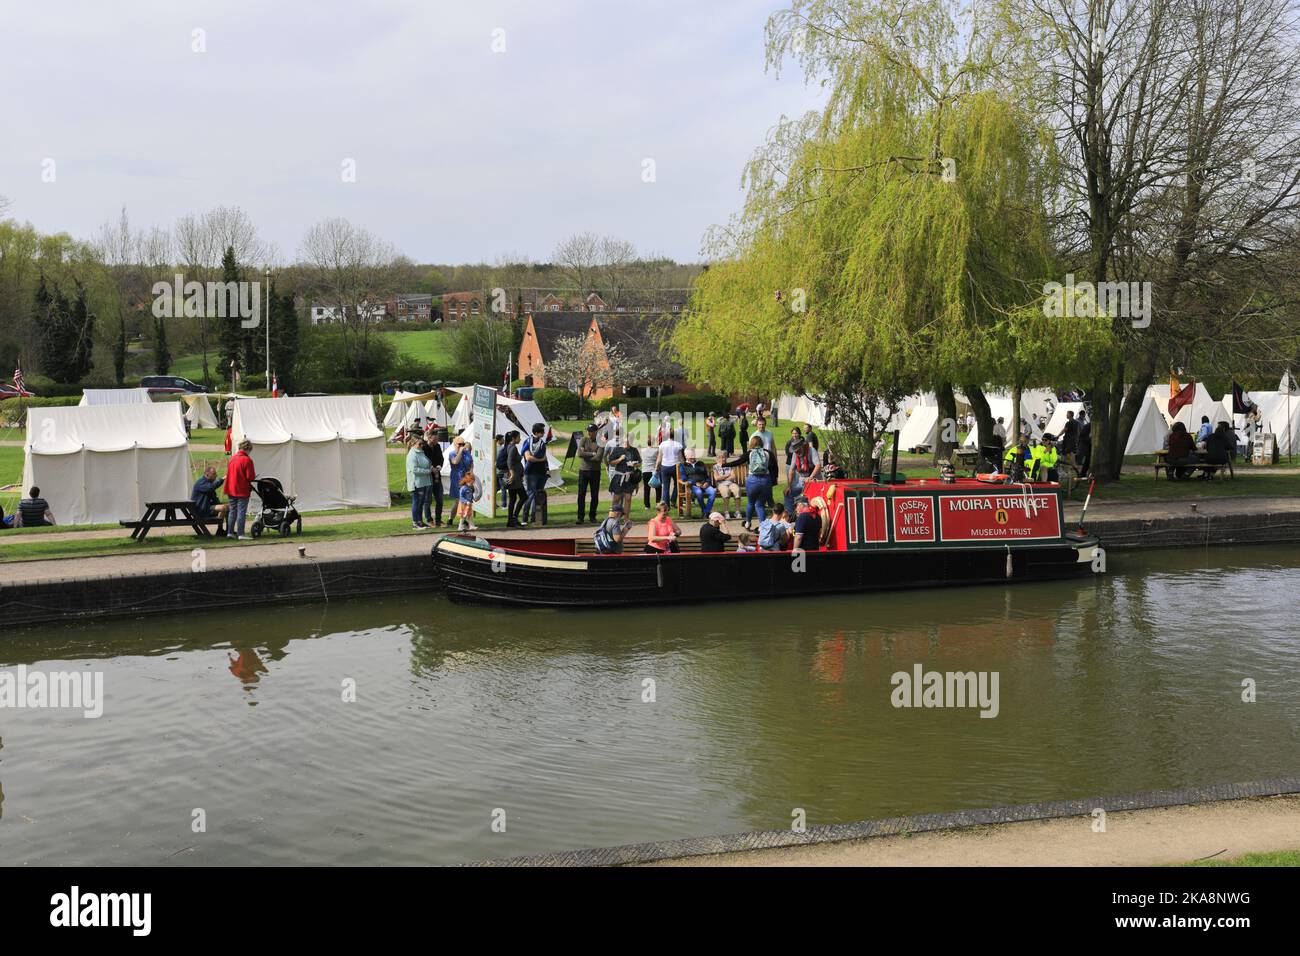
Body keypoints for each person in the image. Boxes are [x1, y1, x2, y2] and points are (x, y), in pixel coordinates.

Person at [225, 440, 256, 539]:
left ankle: (230, 532)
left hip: (231, 488)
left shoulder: (232, 458)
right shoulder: (247, 460)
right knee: (241, 512)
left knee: (232, 511)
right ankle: (240, 533)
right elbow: (250, 477)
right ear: (248, 449)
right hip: (242, 489)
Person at [784, 434, 822, 514]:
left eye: (798, 450)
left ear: (802, 446)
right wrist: (789, 486)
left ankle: (809, 516)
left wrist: (810, 477)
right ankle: (790, 516)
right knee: (788, 493)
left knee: (807, 499)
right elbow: (791, 470)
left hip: (813, 481)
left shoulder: (811, 450)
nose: (797, 453)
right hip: (802, 481)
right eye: (795, 451)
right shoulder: (795, 453)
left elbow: (818, 466)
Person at [521, 422, 549, 526]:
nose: (544, 433)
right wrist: (541, 459)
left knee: (539, 496)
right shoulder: (527, 442)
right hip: (531, 472)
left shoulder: (542, 443)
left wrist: (537, 459)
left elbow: (536, 457)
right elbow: (528, 457)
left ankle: (535, 518)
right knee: (530, 495)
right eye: (542, 431)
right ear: (537, 432)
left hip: (541, 472)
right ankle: (524, 518)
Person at [575, 423, 604, 524]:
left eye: (591, 431)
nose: (589, 433)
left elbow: (598, 458)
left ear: (596, 432)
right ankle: (580, 517)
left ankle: (592, 516)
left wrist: (585, 455)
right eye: (588, 431)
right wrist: (592, 453)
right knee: (581, 494)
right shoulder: (584, 440)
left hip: (595, 472)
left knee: (594, 495)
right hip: (583, 471)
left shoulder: (600, 442)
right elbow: (579, 453)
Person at [606, 440, 641, 517]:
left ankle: (626, 519)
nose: (627, 444)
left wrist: (635, 464)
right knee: (616, 499)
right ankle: (612, 517)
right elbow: (611, 462)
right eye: (625, 442)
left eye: (628, 442)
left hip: (630, 477)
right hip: (619, 477)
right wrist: (619, 459)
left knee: (628, 498)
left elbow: (639, 463)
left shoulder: (634, 450)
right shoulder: (617, 449)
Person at [406, 436, 434, 529]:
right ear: (413, 444)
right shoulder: (412, 454)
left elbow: (426, 463)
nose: (421, 445)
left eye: (422, 443)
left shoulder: (420, 452)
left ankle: (420, 521)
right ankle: (415, 523)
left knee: (421, 503)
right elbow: (414, 469)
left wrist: (431, 468)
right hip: (417, 482)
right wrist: (427, 471)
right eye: (419, 444)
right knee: (417, 502)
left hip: (424, 482)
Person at [743, 435, 771, 529]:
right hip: (765, 480)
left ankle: (748, 522)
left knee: (750, 502)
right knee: (760, 505)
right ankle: (762, 526)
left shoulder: (750, 453)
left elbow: (739, 461)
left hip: (752, 480)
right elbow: (772, 467)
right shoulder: (767, 453)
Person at [419, 430, 445, 526]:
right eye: (435, 438)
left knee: (440, 499)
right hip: (428, 477)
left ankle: (438, 520)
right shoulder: (424, 448)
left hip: (437, 476)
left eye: (437, 438)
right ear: (429, 438)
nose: (437, 440)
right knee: (428, 500)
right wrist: (431, 468)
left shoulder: (437, 446)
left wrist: (438, 467)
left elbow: (441, 459)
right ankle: (429, 520)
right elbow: (423, 461)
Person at [653, 429, 684, 509]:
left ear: (667, 436)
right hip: (675, 466)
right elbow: (681, 458)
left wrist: (656, 467)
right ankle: (673, 500)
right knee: (677, 485)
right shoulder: (678, 444)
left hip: (665, 466)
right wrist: (684, 465)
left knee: (665, 487)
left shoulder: (662, 444)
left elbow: (659, 458)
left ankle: (666, 505)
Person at [681, 449, 717, 515]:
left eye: (693, 455)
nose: (692, 457)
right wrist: (695, 483)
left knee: (713, 491)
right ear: (686, 456)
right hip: (693, 486)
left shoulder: (700, 463)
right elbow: (684, 479)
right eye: (690, 455)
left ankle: (706, 511)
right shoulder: (683, 465)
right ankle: (704, 510)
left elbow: (706, 475)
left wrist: (707, 482)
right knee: (699, 492)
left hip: (704, 484)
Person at [503, 430, 526, 527]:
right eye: (518, 437)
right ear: (513, 438)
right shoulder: (513, 448)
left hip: (515, 476)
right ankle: (514, 517)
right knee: (524, 497)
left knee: (513, 499)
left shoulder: (510, 447)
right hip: (515, 478)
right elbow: (509, 462)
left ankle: (511, 520)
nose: (520, 439)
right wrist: (512, 474)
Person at [711, 452, 744, 518]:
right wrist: (727, 475)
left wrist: (723, 477)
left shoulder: (729, 465)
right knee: (726, 491)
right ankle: (726, 512)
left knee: (737, 490)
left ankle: (737, 512)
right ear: (718, 459)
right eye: (721, 458)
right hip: (721, 484)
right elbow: (717, 478)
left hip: (730, 483)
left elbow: (733, 476)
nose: (723, 459)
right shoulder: (715, 467)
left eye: (724, 457)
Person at [639, 440, 659, 508]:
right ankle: (658, 503)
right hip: (653, 471)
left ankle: (647, 505)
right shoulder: (656, 450)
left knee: (646, 488)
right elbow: (658, 460)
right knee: (658, 487)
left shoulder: (642, 450)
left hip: (645, 471)